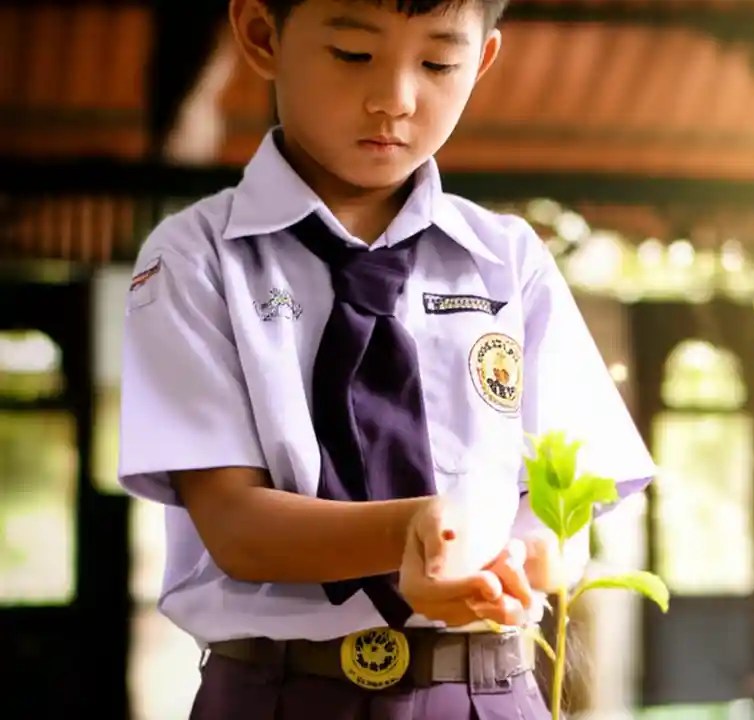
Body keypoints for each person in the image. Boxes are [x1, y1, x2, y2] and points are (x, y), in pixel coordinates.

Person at [116, 1, 655, 718]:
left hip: (485, 692)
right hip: (276, 696)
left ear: (483, 60)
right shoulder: (196, 258)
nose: (395, 99)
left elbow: (564, 519)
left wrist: (498, 571)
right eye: (351, 54)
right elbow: (236, 526)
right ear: (261, 35)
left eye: (437, 63)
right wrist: (416, 533)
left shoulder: (509, 262)